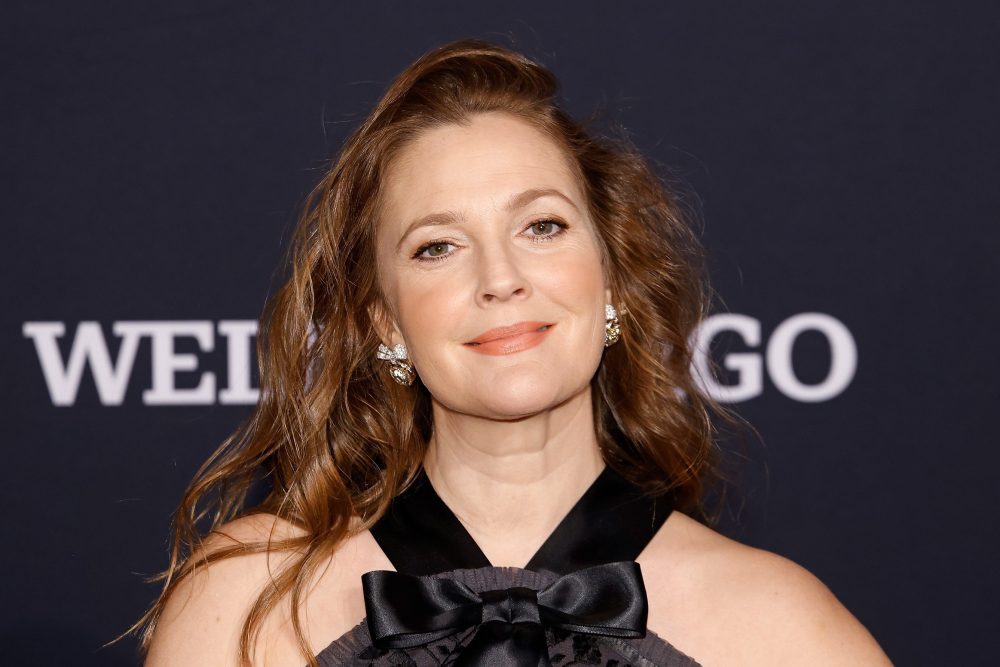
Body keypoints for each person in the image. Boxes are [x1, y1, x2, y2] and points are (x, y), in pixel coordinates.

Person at [135, 39, 892, 666]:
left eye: (542, 227)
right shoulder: (244, 604)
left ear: (614, 280)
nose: (499, 279)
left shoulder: (781, 630)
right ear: (384, 323)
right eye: (437, 246)